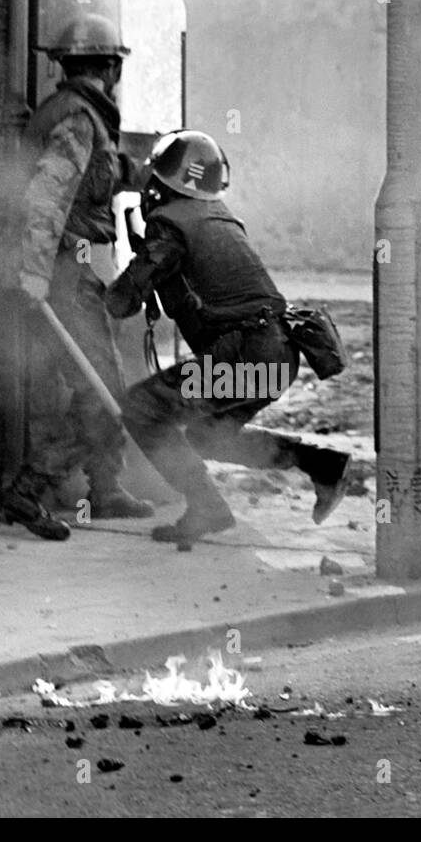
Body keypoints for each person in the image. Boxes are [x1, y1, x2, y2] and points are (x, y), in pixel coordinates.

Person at [105, 130, 352, 543]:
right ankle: (323, 466)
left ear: (162, 183)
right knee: (207, 435)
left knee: (142, 409)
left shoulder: (171, 225)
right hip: (278, 354)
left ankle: (207, 508)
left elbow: (122, 301)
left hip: (243, 357)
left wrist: (104, 284)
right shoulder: (217, 216)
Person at [3, 13, 155, 541]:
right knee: (102, 390)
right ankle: (29, 487)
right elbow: (46, 198)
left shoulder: (82, 116)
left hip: (80, 271)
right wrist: (35, 273)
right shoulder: (78, 120)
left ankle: (107, 489)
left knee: (101, 380)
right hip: (65, 273)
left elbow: (102, 175)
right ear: (110, 67)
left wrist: (155, 171)